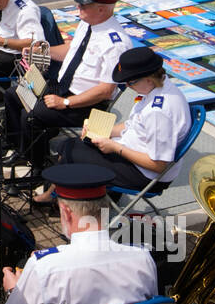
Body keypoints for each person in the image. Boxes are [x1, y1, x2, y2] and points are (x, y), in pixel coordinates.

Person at [0, 162, 158, 304]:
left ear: (66, 212)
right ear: (104, 209)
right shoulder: (143, 257)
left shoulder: (44, 267)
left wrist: (14, 291)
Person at [2, 0, 131, 169]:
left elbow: (105, 91)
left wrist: (65, 103)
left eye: (83, 6)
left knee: (31, 116)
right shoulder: (87, 23)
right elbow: (70, 52)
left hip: (84, 103)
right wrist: (42, 51)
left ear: (102, 9)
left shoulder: (116, 43)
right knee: (14, 94)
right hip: (61, 87)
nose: (78, 7)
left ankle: (37, 166)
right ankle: (19, 147)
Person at [45, 46, 192, 195]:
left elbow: (158, 165)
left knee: (71, 152)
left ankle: (65, 199)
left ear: (148, 79)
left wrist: (116, 148)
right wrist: (100, 130)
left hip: (145, 175)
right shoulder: (160, 88)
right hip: (135, 160)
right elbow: (134, 125)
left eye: (131, 82)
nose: (127, 86)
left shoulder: (158, 113)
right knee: (72, 145)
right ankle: (59, 195)